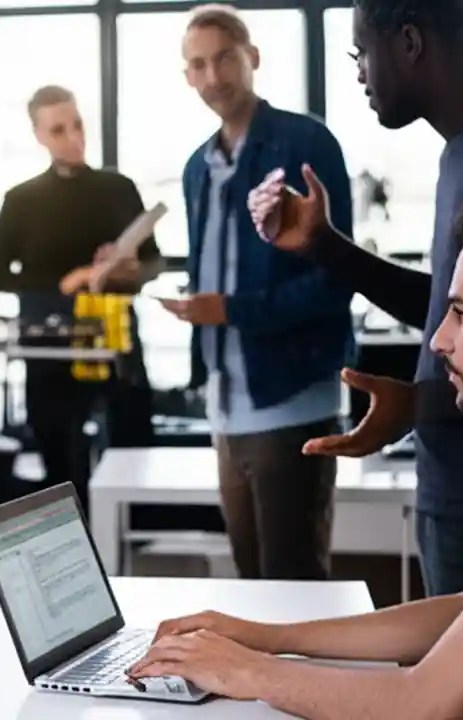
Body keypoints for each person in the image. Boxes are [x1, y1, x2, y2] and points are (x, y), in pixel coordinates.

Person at [132, 180, 463, 720]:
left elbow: (422, 705)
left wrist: (241, 671)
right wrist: (265, 637)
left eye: (461, 313)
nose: (439, 340)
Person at [247, 2, 463, 713]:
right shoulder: (460, 150)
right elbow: (452, 315)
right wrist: (327, 248)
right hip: (457, 490)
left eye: (359, 55)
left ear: (408, 42)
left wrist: (421, 402)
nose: (358, 75)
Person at [160, 4, 354, 580]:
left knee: (292, 582)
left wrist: (229, 310)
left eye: (224, 58)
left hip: (292, 398)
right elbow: (215, 267)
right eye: (198, 64)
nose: (213, 75)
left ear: (253, 58)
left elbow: (336, 278)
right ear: (187, 76)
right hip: (227, 404)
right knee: (251, 582)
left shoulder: (306, 142)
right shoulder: (199, 165)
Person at [0, 85, 163, 507]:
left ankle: (130, 556)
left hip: (115, 342)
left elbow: (154, 263)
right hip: (51, 349)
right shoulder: (21, 200)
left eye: (77, 124)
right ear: (39, 136)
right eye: (59, 130)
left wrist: (125, 269)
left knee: (131, 452)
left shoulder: (118, 188)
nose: (74, 137)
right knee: (60, 472)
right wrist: (67, 281)